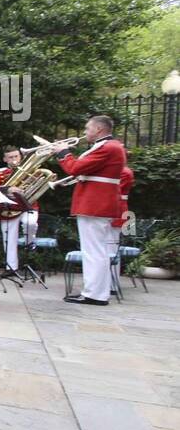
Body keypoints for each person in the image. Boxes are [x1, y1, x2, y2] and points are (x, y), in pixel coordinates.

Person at [57, 115, 127, 306]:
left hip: (95, 204)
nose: (85, 132)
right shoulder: (111, 147)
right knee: (98, 251)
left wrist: (63, 152)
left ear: (98, 129)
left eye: (88, 128)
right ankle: (98, 292)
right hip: (98, 203)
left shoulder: (107, 147)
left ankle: (94, 294)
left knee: (93, 251)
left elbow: (75, 167)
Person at [0, 146, 36, 273]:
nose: (14, 160)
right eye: (11, 157)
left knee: (30, 222)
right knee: (8, 238)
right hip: (9, 208)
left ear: (21, 157)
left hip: (27, 206)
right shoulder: (1, 173)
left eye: (16, 156)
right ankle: (11, 268)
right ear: (5, 159)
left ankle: (30, 242)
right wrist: (7, 189)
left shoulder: (30, 170)